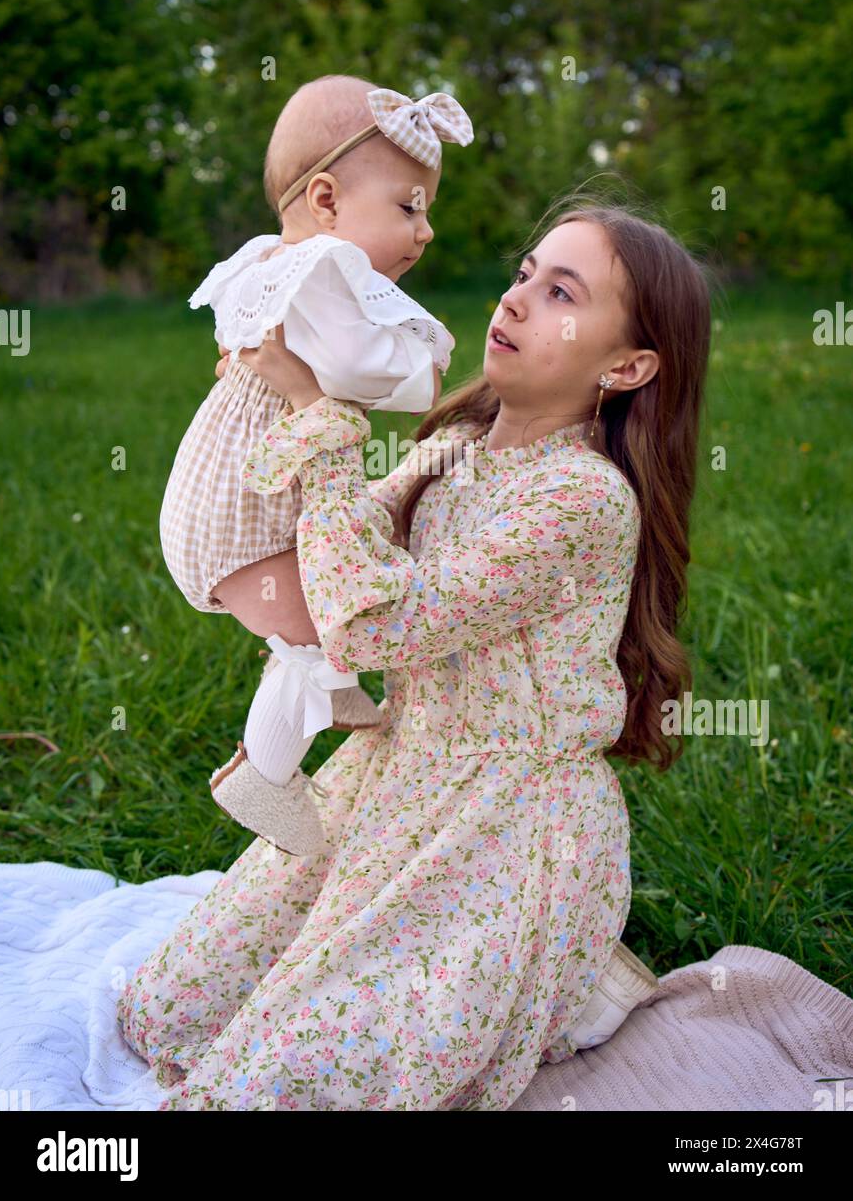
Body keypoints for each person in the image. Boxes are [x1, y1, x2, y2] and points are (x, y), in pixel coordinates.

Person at [117, 196, 711, 1110]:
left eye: (561, 293)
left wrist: (319, 417)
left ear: (628, 366)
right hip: (399, 773)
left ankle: (547, 960)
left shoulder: (583, 503)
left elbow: (372, 621)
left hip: (503, 819)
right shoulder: (462, 447)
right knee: (168, 1011)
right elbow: (339, 546)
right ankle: (542, 978)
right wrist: (271, 391)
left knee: (278, 1082)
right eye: (523, 274)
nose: (513, 301)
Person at [158, 75, 471, 853]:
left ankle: (333, 693)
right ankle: (264, 775)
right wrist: (428, 371)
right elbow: (359, 365)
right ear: (326, 202)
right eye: (409, 207)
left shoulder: (275, 259)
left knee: (324, 608)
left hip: (235, 495)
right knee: (324, 626)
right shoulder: (325, 269)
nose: (424, 232)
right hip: (243, 512)